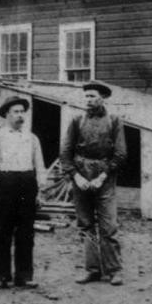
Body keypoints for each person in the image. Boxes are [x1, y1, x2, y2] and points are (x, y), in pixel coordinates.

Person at [60, 82, 128, 286]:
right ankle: (92, 269)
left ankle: (114, 270)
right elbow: (65, 152)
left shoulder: (114, 121)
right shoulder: (76, 120)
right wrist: (76, 176)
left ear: (102, 98)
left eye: (92, 96)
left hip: (104, 176)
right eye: (86, 96)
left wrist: (102, 176)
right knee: (86, 224)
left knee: (109, 225)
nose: (88, 100)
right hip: (80, 175)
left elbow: (121, 153)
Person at [0, 96, 47, 288]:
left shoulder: (32, 139)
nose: (20, 116)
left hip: (27, 184)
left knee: (26, 232)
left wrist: (40, 192)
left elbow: (40, 166)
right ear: (6, 115)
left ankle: (24, 276)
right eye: (15, 112)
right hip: (4, 184)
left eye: (22, 112)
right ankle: (1, 276)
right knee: (2, 231)